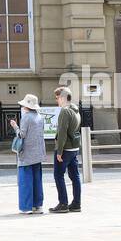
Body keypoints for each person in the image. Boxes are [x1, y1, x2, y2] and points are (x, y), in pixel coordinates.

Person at [9, 93, 45, 215]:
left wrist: (15, 126)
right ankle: (38, 205)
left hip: (27, 154)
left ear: (26, 106)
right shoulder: (39, 117)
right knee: (37, 180)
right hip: (38, 153)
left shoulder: (26, 117)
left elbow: (21, 135)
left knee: (25, 181)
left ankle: (26, 207)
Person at [49, 86, 82, 214]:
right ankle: (76, 204)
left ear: (63, 97)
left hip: (66, 148)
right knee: (75, 176)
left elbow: (62, 132)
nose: (56, 100)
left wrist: (59, 151)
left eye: (57, 98)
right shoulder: (76, 110)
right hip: (74, 148)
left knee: (58, 175)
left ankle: (63, 204)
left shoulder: (65, 111)